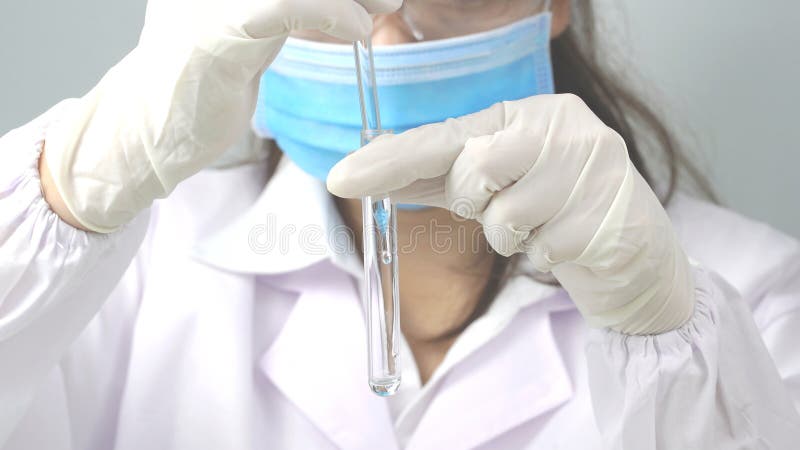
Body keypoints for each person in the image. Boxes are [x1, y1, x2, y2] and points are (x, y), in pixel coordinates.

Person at [1, 0, 799, 448]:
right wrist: (67, 190)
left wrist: (661, 333)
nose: (383, 41)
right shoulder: (140, 267)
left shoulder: (757, 295)